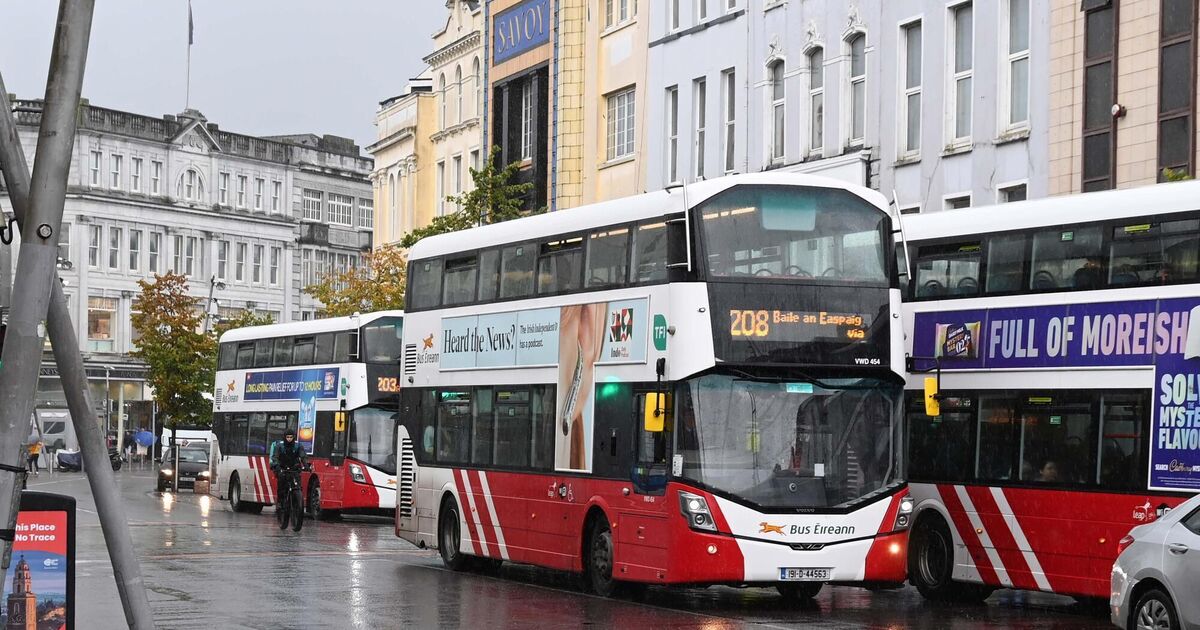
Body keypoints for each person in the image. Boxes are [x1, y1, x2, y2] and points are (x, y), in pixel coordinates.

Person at [269, 430, 308, 502]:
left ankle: (297, 503)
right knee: (282, 486)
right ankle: (280, 503)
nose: (289, 439)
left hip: (294, 468)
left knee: (298, 486)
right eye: (287, 437)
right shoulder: (279, 446)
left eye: (291, 437)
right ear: (284, 437)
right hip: (282, 468)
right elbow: (275, 457)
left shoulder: (298, 446)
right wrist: (277, 466)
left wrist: (306, 465)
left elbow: (303, 456)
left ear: (294, 437)